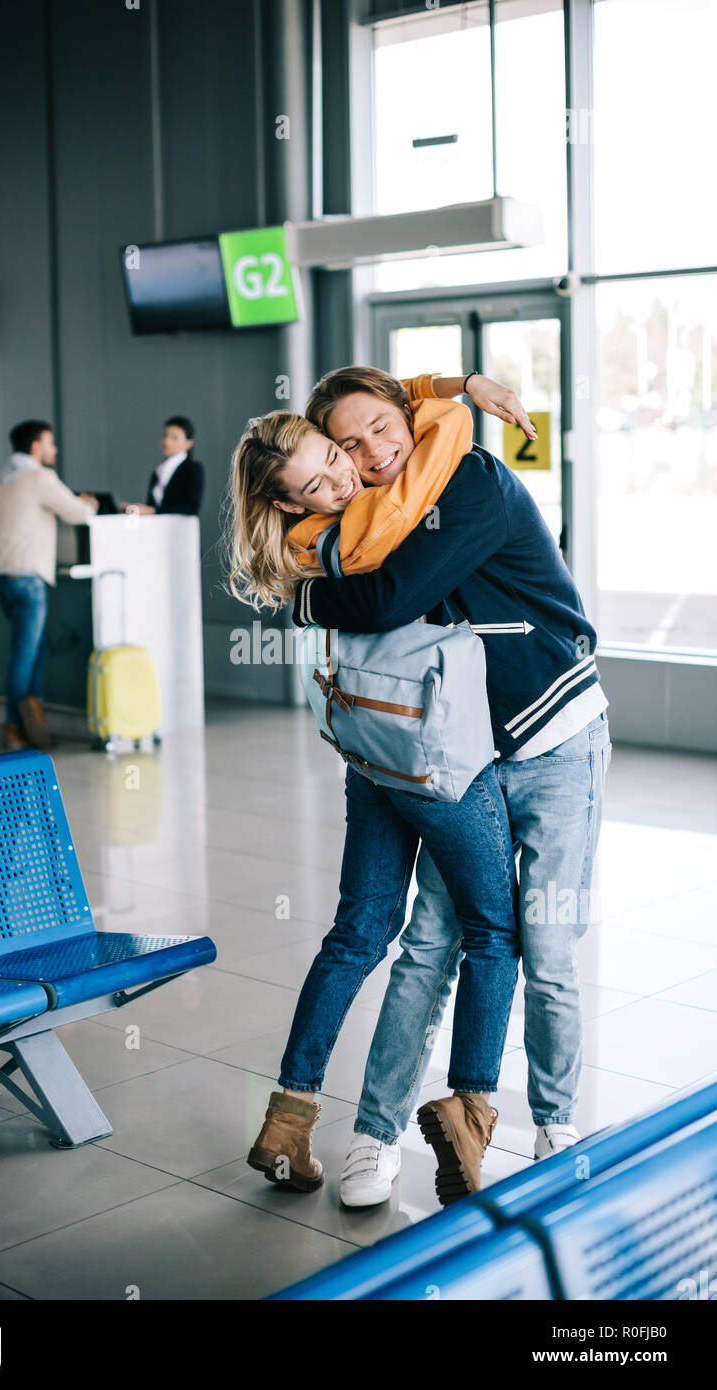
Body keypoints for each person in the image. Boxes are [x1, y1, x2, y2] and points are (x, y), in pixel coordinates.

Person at [287, 366, 611, 1204]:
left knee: (545, 945)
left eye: (380, 430)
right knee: (429, 944)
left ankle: (554, 1123)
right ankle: (375, 1135)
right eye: (348, 445)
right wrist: (457, 379)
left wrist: (297, 600)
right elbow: (353, 424)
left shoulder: (472, 481)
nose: (370, 452)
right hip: (457, 753)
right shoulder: (373, 508)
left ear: (410, 416)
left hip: (553, 738)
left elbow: (394, 596)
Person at [228, 396, 524, 1208]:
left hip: (370, 752)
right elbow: (435, 441)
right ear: (289, 501)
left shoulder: (302, 544)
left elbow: (387, 419)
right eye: (320, 476)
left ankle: (288, 1120)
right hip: (439, 755)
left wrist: (435, 381)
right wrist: (455, 390)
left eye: (338, 455)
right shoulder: (376, 521)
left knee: (357, 933)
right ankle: (468, 1109)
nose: (347, 471)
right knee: (494, 931)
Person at [0, 419, 98, 751]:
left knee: (31, 654)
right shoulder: (38, 477)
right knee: (24, 657)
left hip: (0, 577)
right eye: (50, 443)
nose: (54, 449)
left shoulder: (0, 477)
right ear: (35, 446)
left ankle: (32, 728)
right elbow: (78, 513)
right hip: (28, 579)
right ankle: (12, 728)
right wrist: (90, 503)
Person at [129, 415, 205, 517]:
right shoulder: (158, 471)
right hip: (159, 527)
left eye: (174, 438)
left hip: (180, 529)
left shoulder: (192, 469)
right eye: (165, 436)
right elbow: (153, 504)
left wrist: (152, 511)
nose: (167, 441)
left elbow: (191, 507)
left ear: (188, 443)